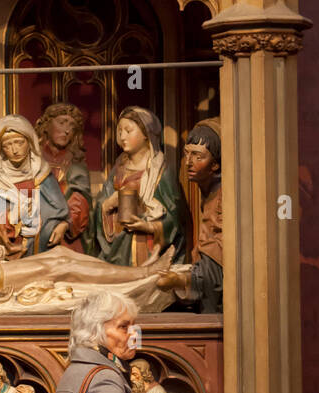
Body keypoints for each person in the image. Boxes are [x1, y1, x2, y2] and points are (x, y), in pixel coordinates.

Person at [94, 106, 188, 267]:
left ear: (146, 134)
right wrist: (107, 205)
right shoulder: (119, 167)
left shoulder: (160, 171)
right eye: (120, 131)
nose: (122, 136)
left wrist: (148, 226)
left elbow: (174, 218)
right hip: (115, 245)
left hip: (145, 247)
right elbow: (102, 205)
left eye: (128, 131)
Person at [0, 114, 70, 256]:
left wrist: (61, 224)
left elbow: (58, 208)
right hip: (7, 242)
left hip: (40, 246)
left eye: (19, 142)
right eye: (7, 145)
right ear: (0, 148)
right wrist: (8, 217)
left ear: (30, 142)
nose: (14, 150)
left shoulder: (41, 171)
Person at [156, 118, 223, 312]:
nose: (188, 163)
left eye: (198, 156)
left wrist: (181, 279)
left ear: (215, 165)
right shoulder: (210, 192)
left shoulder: (222, 199)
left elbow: (218, 260)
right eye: (187, 155)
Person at [34, 103, 92, 252]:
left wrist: (66, 223)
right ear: (46, 126)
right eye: (61, 123)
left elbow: (81, 199)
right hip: (32, 229)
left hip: (63, 233)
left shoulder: (75, 165)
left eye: (72, 127)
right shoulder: (32, 159)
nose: (67, 130)